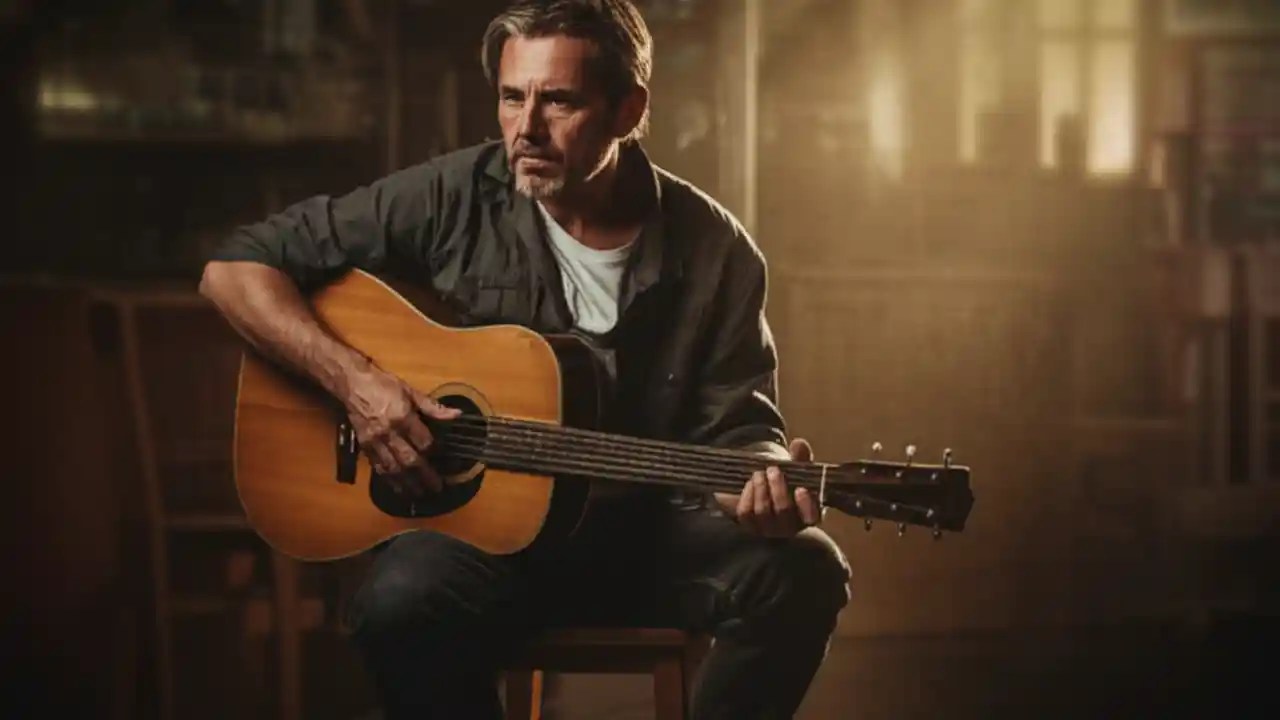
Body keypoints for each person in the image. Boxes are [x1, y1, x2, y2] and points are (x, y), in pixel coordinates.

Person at [199, 1, 850, 718]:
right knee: (397, 603)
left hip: (642, 542)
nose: (525, 129)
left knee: (808, 570)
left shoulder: (716, 250)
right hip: (484, 549)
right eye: (512, 97)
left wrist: (760, 483)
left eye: (558, 100)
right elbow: (234, 271)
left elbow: (739, 428)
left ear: (629, 110)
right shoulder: (453, 194)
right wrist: (358, 386)